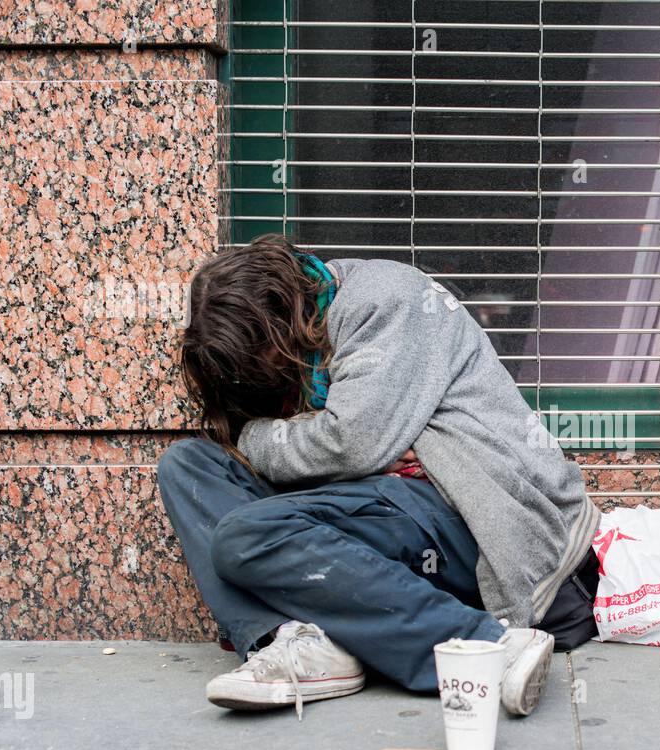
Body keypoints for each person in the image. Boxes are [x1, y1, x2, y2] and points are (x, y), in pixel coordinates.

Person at [157, 235, 601, 720]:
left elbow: (351, 443)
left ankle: (487, 647)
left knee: (248, 533)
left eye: (258, 366)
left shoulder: (386, 298)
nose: (259, 385)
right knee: (188, 467)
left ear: (280, 317)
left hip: (467, 510)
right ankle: (298, 644)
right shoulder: (300, 342)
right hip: (382, 502)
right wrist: (328, 444)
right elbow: (354, 450)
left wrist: (266, 440)